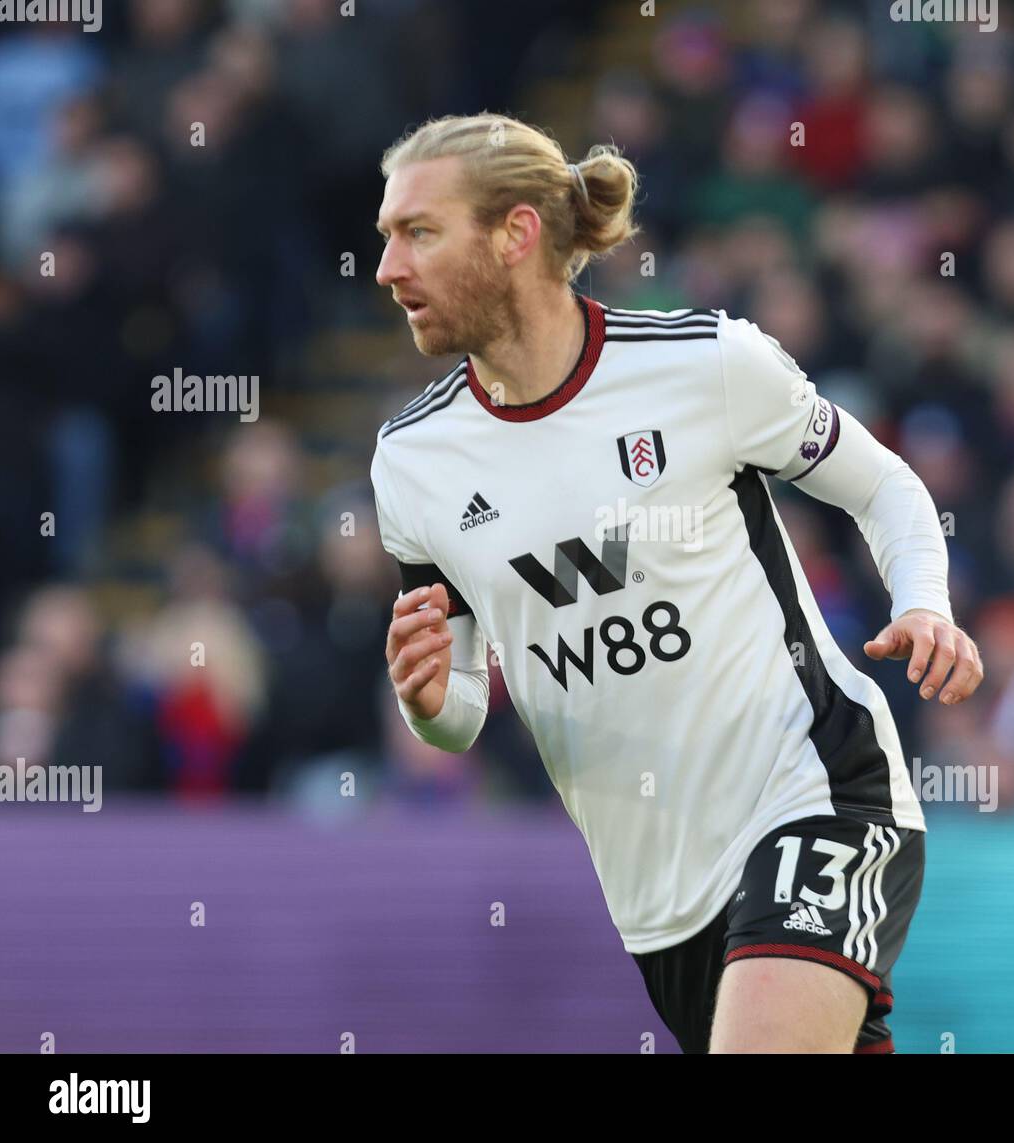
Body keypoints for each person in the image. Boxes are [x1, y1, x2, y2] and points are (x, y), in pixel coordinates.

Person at [370, 113, 983, 1053]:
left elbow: (884, 485)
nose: (387, 269)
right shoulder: (413, 463)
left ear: (516, 233)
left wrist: (924, 606)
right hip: (658, 900)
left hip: (814, 793)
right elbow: (455, 711)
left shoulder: (706, 367)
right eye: (386, 239)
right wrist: (425, 702)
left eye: (418, 232)